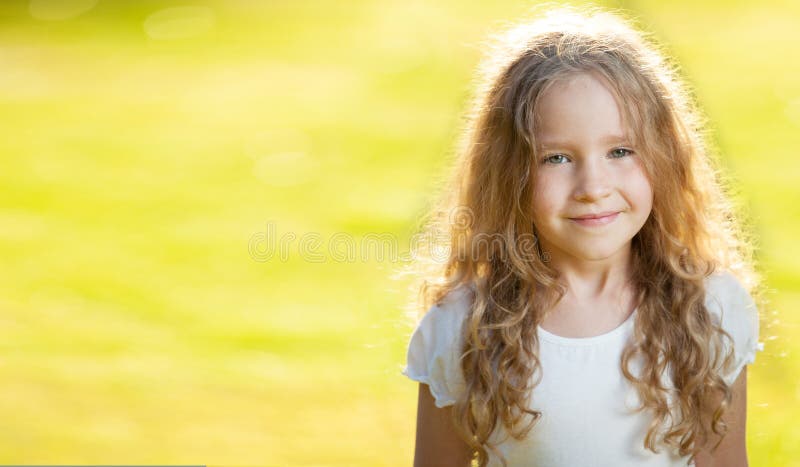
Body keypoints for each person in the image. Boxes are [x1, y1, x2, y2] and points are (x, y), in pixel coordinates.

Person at [399, 5, 766, 467]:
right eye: (557, 158)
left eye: (620, 151)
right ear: (508, 172)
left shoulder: (711, 309)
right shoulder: (463, 326)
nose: (593, 188)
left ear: (664, 157)